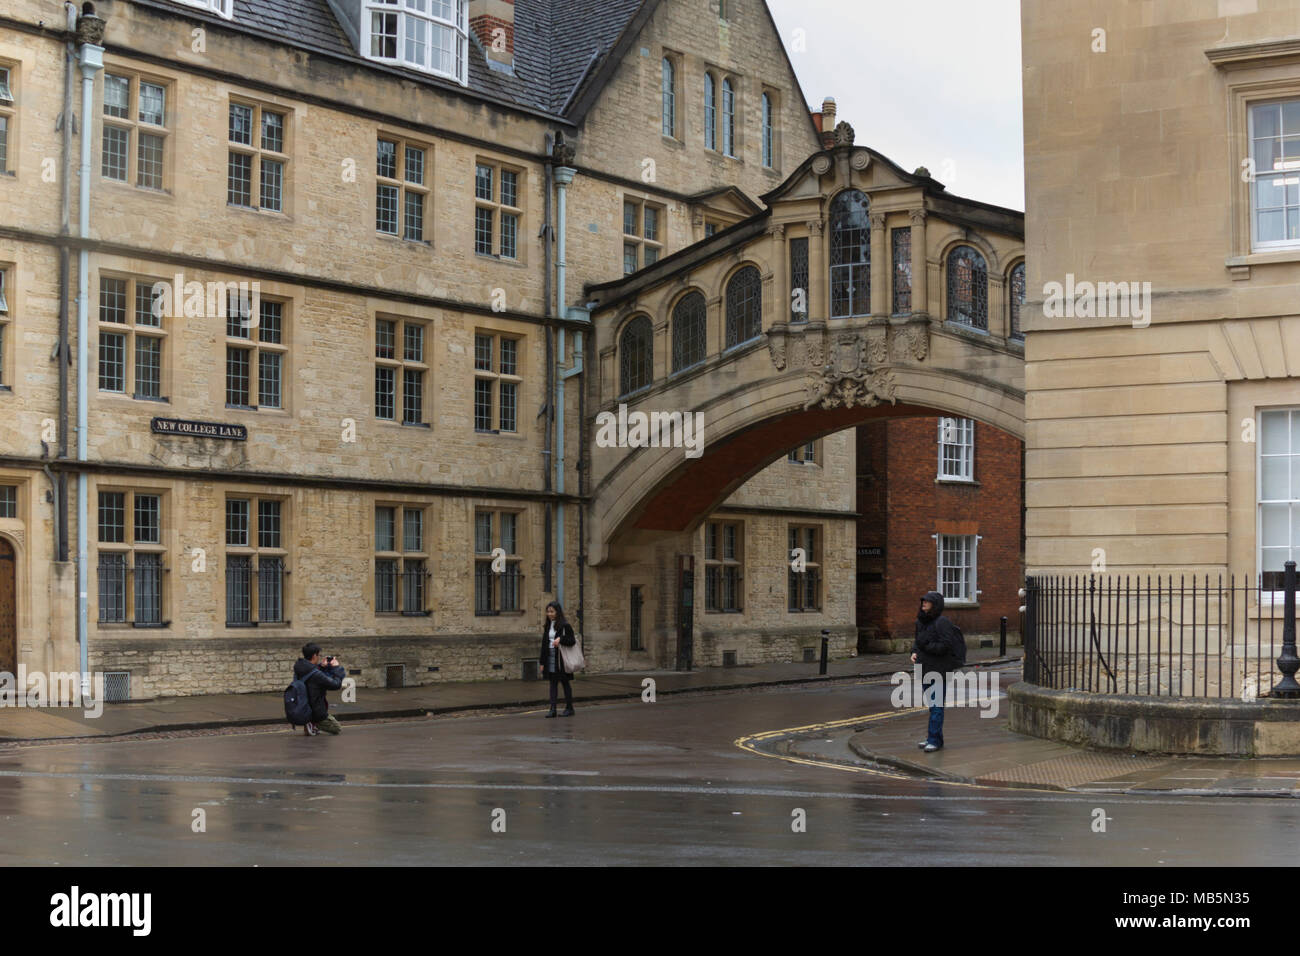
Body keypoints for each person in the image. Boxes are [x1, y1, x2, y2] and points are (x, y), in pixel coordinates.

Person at [909, 591, 963, 752]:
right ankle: (934, 738)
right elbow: (917, 642)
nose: (923, 603)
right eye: (923, 601)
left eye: (927, 601)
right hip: (924, 668)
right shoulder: (920, 622)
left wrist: (926, 646)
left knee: (937, 706)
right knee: (932, 706)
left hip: (939, 670)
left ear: (935, 604)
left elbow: (946, 645)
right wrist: (913, 652)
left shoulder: (942, 622)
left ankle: (934, 740)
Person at [294, 642, 345, 736]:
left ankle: (310, 722)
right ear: (314, 655)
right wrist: (337, 668)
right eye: (318, 655)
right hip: (315, 709)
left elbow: (311, 677)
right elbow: (335, 684)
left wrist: (321, 666)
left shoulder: (299, 667)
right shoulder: (316, 674)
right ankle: (312, 722)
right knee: (336, 728)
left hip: (303, 706)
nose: (319, 657)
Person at [539, 601, 577, 718]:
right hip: (550, 656)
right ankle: (553, 709)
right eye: (548, 611)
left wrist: (560, 639)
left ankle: (569, 708)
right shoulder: (547, 625)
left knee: (565, 682)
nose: (549, 614)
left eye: (552, 611)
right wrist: (542, 662)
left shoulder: (565, 625)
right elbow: (544, 644)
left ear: (557, 612)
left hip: (561, 658)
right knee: (553, 683)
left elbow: (572, 640)